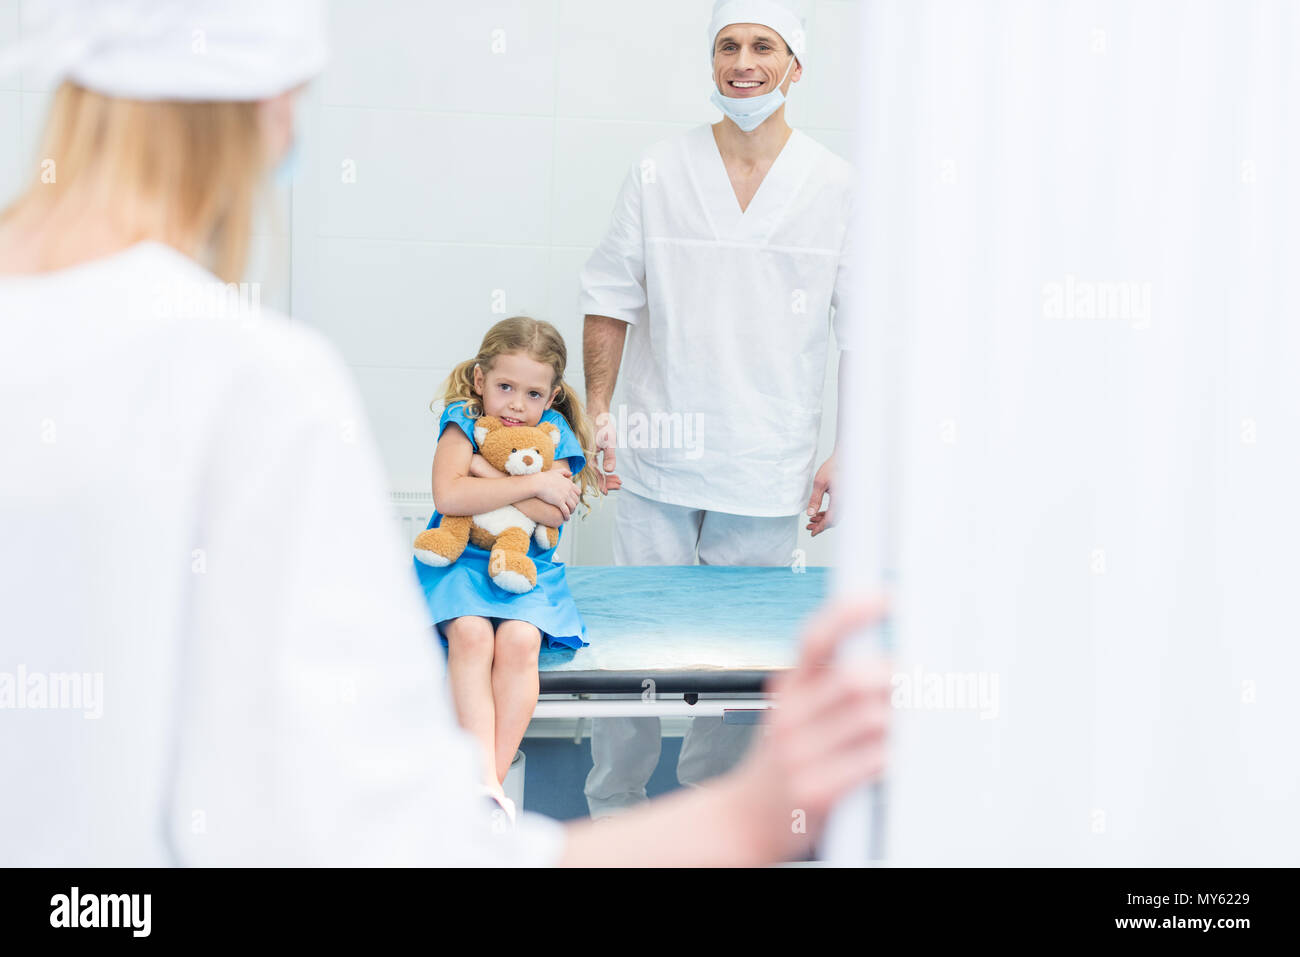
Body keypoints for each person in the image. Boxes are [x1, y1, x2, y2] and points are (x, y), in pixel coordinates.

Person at [0, 0, 889, 866]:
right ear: (262, 105)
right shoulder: (258, 387)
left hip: (761, 461)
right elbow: (378, 834)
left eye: (762, 47)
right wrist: (746, 823)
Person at [581, 0, 859, 816]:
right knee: (623, 648)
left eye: (762, 46)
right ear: (712, 63)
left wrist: (848, 447)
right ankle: (615, 807)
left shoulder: (837, 186)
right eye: (728, 46)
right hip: (655, 449)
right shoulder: (659, 169)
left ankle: (717, 813)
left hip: (766, 457)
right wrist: (600, 407)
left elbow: (864, 326)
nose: (744, 62)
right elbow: (608, 294)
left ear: (794, 67)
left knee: (745, 664)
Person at [413, 317, 599, 820]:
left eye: (534, 393)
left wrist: (482, 470)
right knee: (471, 635)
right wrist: (529, 483)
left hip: (525, 564)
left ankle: (484, 787)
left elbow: (552, 511)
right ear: (480, 381)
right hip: (457, 559)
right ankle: (488, 784)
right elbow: (449, 495)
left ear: (553, 395)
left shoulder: (554, 431)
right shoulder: (462, 419)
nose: (518, 404)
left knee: (519, 640)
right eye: (505, 387)